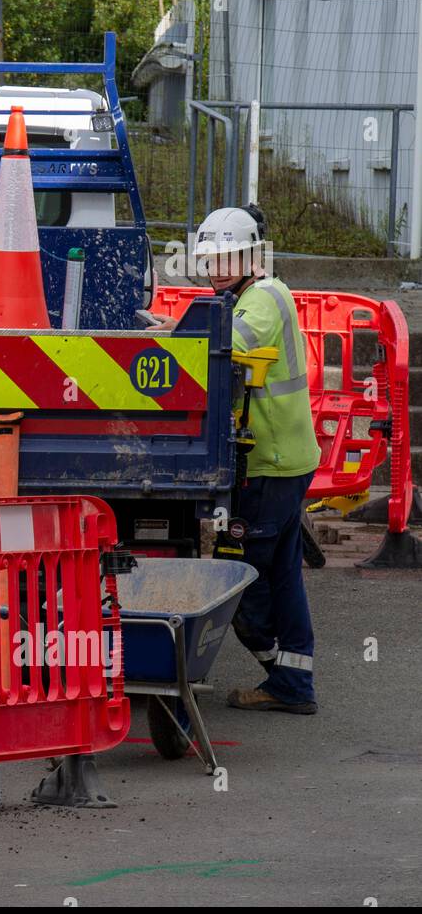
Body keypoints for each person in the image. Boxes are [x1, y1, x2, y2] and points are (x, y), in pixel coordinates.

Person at [180, 205, 322, 714]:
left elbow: (220, 347)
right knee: (282, 575)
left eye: (225, 259)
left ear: (250, 257)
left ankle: (281, 678)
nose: (215, 269)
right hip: (281, 461)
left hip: (270, 463)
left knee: (242, 579)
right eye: (209, 260)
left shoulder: (261, 299)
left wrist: (168, 338)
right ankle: (293, 681)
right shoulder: (248, 294)